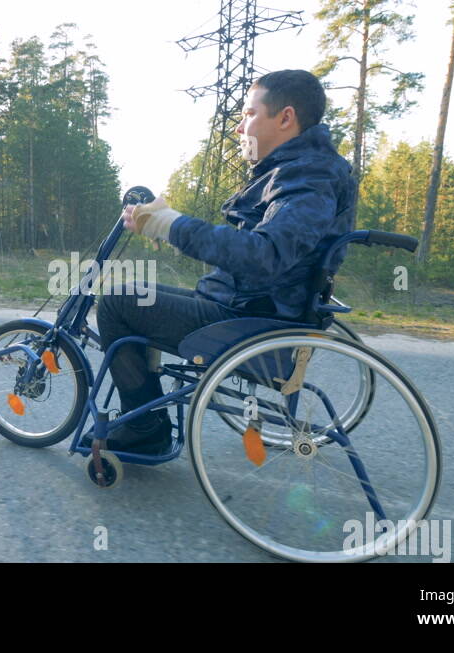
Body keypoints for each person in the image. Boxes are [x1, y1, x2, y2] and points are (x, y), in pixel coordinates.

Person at [86, 69, 358, 455]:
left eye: (249, 114)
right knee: (137, 295)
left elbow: (265, 255)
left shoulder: (306, 177)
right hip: (253, 304)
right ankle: (143, 420)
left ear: (285, 118)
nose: (239, 128)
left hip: (252, 317)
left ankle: (146, 429)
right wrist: (171, 224)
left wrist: (173, 226)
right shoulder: (301, 170)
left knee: (116, 303)